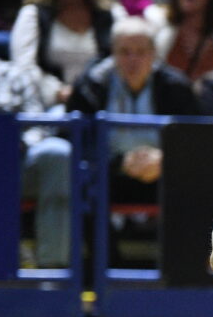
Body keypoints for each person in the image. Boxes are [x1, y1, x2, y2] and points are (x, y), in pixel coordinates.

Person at [0, 6, 72, 273]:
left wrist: (17, 144)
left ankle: (52, 272)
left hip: (13, 167)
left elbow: (39, 124)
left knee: (57, 153)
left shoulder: (13, 75)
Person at [67, 15, 201, 208]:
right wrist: (119, 163)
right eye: (124, 52)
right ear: (112, 53)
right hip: (107, 174)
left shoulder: (177, 87)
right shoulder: (90, 86)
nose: (133, 60)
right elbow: (76, 139)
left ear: (154, 54)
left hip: (165, 173)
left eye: (140, 52)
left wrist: (167, 159)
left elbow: (195, 139)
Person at [11, 0, 113, 106]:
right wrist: (58, 92)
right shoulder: (32, 15)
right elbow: (23, 67)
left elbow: (119, 63)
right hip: (47, 105)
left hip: (100, 105)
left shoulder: (110, 15)